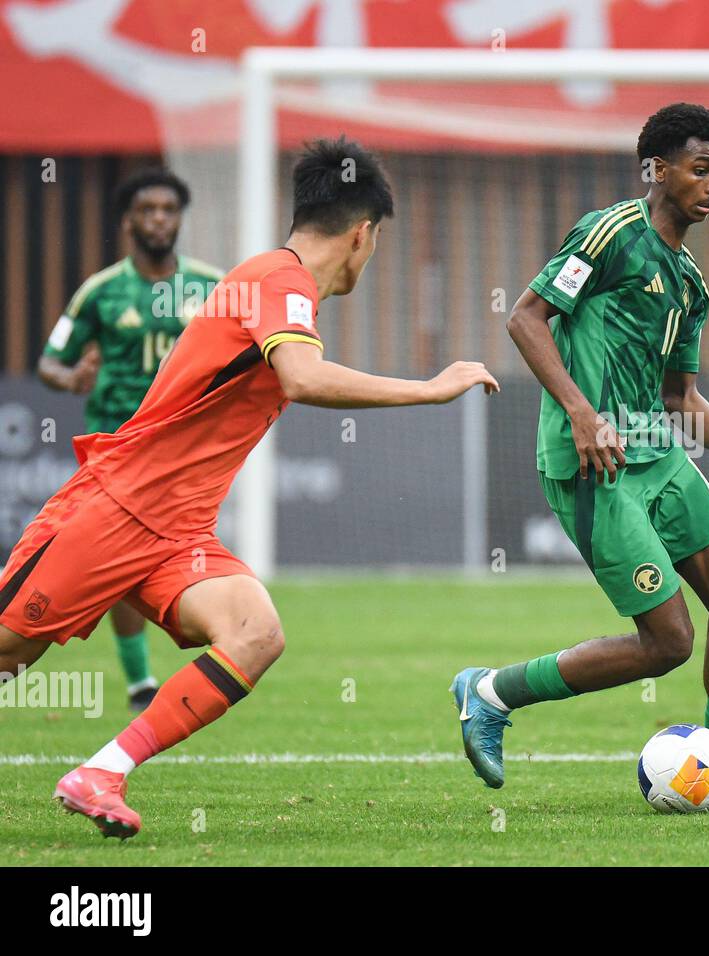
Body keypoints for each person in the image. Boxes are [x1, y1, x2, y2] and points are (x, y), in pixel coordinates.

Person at [0, 137, 499, 839]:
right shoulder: (278, 280)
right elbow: (302, 377)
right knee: (8, 652)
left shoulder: (274, 285)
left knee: (255, 633)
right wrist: (427, 387)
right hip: (116, 507)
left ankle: (100, 773)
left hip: (176, 533)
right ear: (364, 235)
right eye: (376, 240)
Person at [450, 103, 709, 810]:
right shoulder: (610, 234)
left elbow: (679, 397)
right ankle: (489, 693)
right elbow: (524, 318)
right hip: (594, 462)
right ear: (657, 169)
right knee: (668, 642)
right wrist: (583, 414)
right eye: (702, 169)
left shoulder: (691, 284)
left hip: (659, 453)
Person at [38, 168, 224, 711]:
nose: (160, 219)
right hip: (118, 448)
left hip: (187, 452)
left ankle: (214, 637)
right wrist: (69, 378)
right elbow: (51, 359)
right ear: (128, 222)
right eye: (149, 210)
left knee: (175, 552)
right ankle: (142, 681)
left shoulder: (212, 288)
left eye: (169, 209)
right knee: (118, 561)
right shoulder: (99, 292)